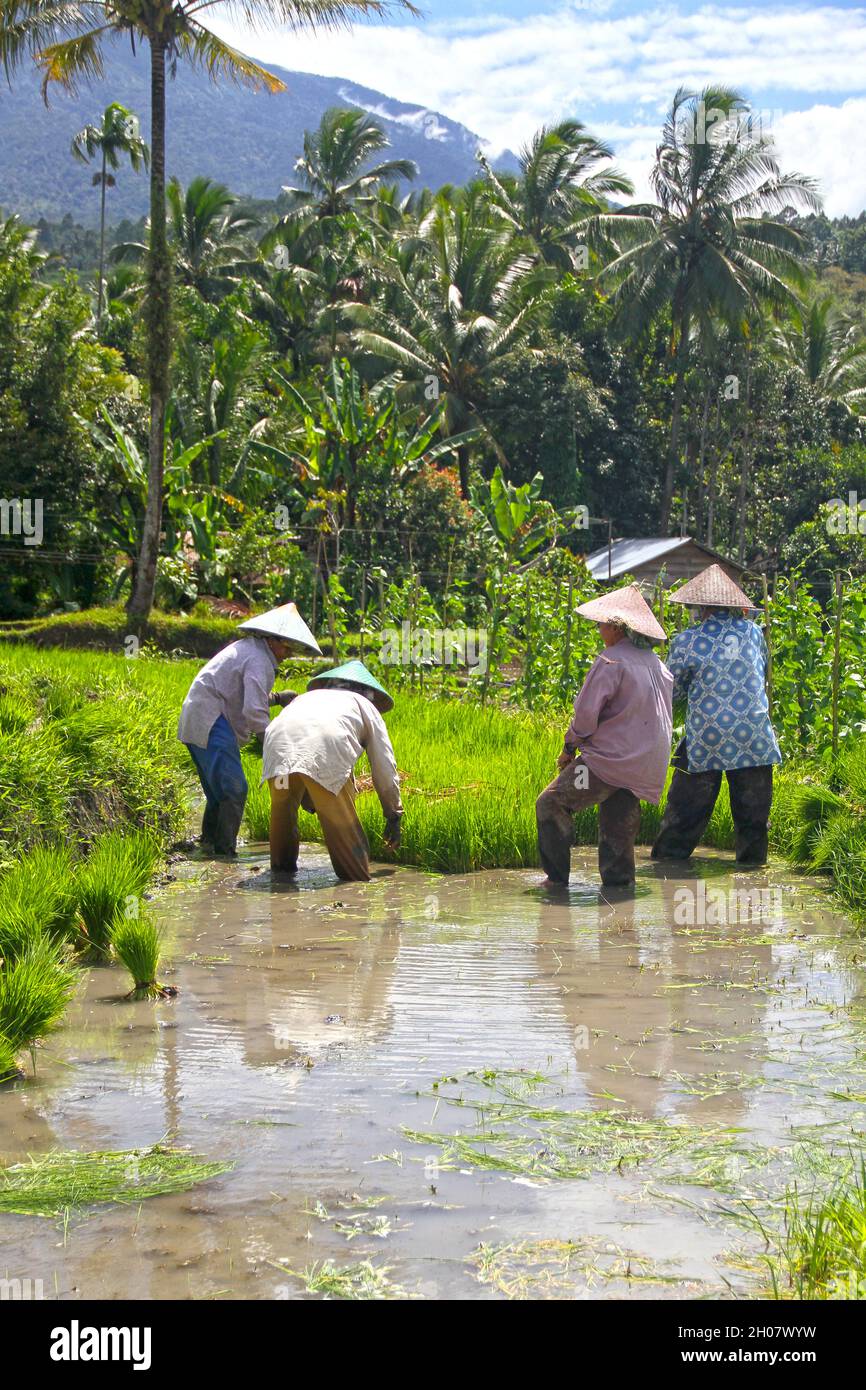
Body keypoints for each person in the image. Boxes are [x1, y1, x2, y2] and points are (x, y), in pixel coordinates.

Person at [536, 584, 673, 888]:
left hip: (609, 764)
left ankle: (556, 881)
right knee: (617, 820)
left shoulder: (611, 661)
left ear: (615, 628)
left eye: (600, 625)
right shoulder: (658, 665)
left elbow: (586, 716)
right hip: (645, 763)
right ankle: (619, 888)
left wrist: (569, 747)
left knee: (551, 803)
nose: (598, 630)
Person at [651, 564, 781, 865]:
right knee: (753, 822)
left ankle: (669, 869)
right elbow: (758, 672)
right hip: (755, 736)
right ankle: (752, 877)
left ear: (701, 607)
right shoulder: (752, 633)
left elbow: (673, 693)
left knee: (684, 816)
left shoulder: (687, 640)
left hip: (708, 737)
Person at [177, 603, 321, 857]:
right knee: (235, 790)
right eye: (287, 647)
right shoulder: (259, 660)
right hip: (212, 721)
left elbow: (243, 695)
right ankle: (224, 855)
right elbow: (254, 712)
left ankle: (208, 846)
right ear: (272, 640)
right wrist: (272, 748)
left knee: (218, 794)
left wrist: (275, 698)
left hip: (197, 717)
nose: (288, 653)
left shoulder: (249, 650)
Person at [262, 660, 403, 882]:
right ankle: (356, 884)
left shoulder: (306, 699)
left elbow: (302, 754)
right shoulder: (363, 705)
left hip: (278, 752)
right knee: (343, 827)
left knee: (283, 811)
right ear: (367, 693)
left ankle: (280, 877)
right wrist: (394, 814)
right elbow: (384, 766)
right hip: (325, 752)